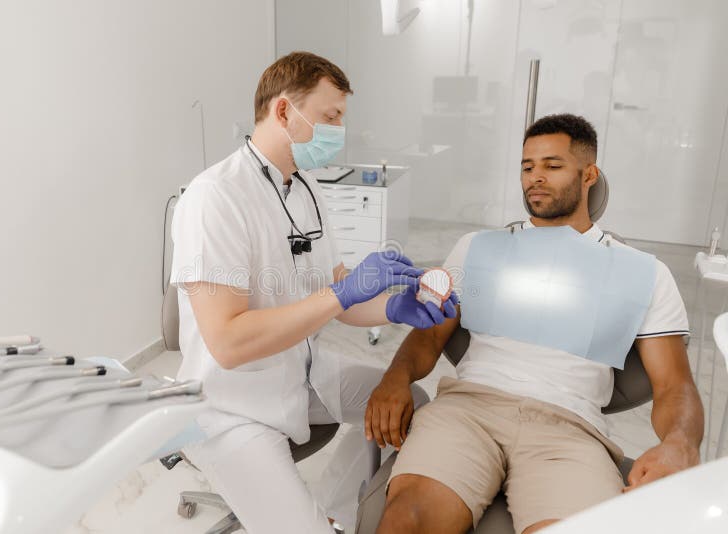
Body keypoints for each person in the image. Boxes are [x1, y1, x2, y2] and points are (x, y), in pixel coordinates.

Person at [367, 114, 703, 534]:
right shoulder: (476, 248)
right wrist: (395, 377)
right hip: (467, 411)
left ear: (589, 175)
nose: (535, 177)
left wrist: (680, 442)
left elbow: (674, 385)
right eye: (527, 167)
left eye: (552, 165)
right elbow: (429, 336)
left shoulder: (644, 273)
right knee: (407, 521)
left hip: (570, 430)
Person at [170, 51, 454, 532]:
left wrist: (394, 306)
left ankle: (336, 510)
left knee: (412, 404)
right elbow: (228, 343)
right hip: (231, 403)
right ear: (284, 111)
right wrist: (341, 295)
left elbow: (338, 292)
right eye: (331, 116)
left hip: (301, 371)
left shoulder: (306, 189)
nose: (339, 130)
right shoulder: (215, 197)